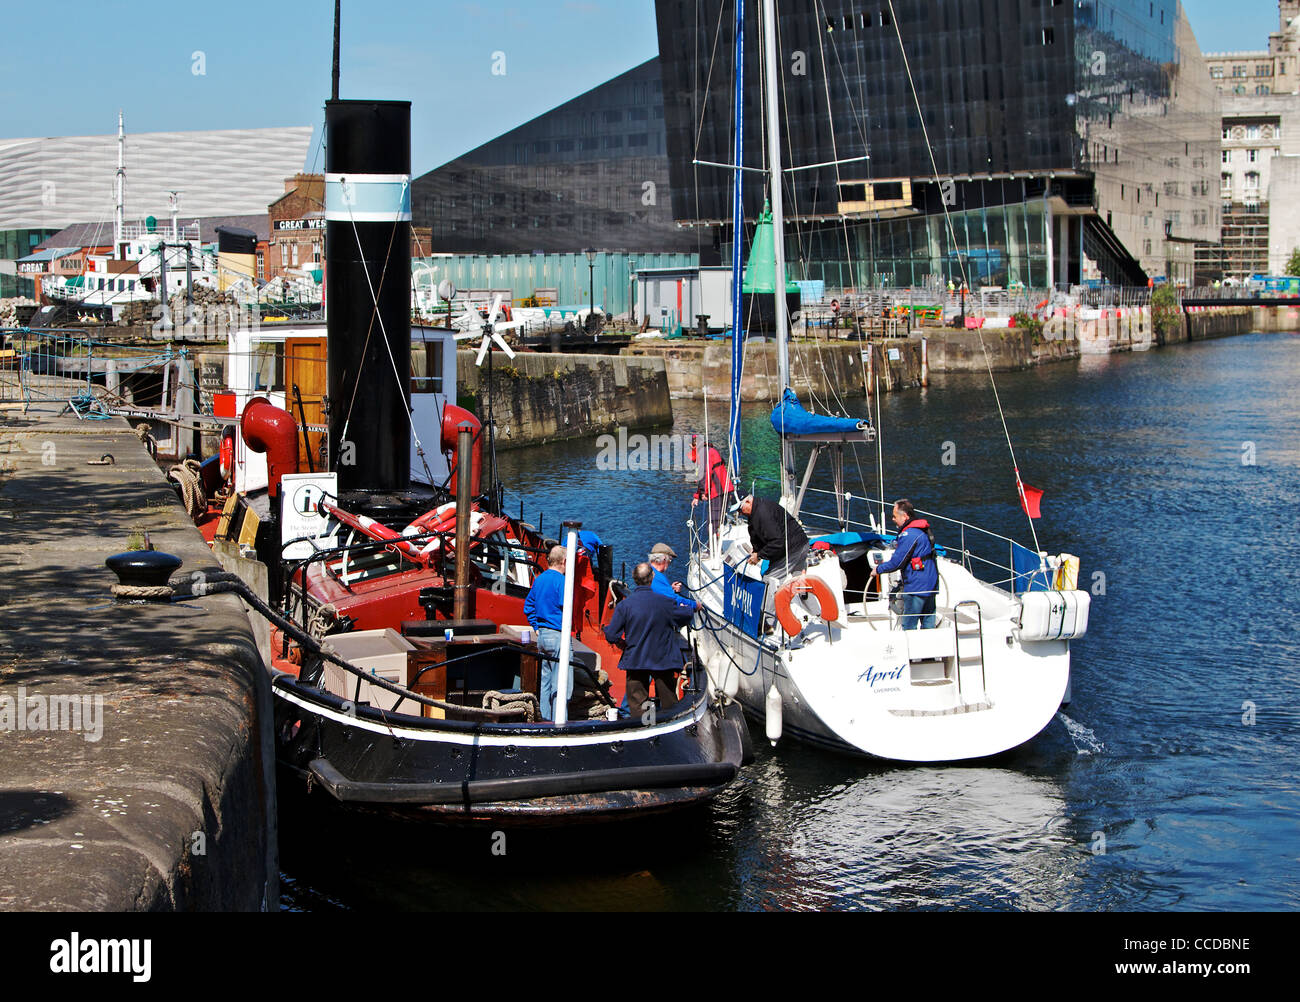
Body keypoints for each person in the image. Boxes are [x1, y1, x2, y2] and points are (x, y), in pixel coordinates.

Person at [604, 563, 695, 719]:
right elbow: (685, 615)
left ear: (634, 579)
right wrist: (693, 606)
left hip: (636, 659)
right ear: (652, 578)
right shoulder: (665, 602)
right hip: (663, 659)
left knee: (637, 702)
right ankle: (668, 730)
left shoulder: (625, 605)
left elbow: (611, 635)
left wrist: (621, 642)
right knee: (669, 702)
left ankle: (644, 727)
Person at [869, 498, 938, 631]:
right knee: (929, 625)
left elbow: (897, 563)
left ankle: (911, 651)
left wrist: (878, 569)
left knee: (909, 626)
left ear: (905, 516)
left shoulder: (909, 535)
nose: (893, 519)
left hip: (917, 587)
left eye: (895, 516)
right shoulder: (922, 531)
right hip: (931, 584)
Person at [523, 545, 574, 721]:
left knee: (545, 683)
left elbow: (528, 606)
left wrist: (536, 627)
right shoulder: (561, 582)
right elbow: (565, 606)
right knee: (561, 683)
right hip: (558, 636)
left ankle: (543, 720)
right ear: (564, 561)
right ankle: (559, 722)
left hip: (543, 636)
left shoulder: (539, 579)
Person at [738, 494, 809, 579]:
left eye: (740, 509)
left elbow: (777, 542)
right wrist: (756, 550)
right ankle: (800, 591)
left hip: (792, 548)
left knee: (769, 580)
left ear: (748, 502)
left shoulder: (763, 514)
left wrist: (759, 555)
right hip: (799, 543)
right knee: (798, 582)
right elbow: (757, 534)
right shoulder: (755, 511)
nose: (739, 514)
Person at [688, 436, 733, 535]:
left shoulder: (703, 452)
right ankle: (716, 544)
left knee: (713, 523)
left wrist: (703, 493)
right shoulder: (706, 451)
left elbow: (705, 474)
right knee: (717, 521)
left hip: (718, 491)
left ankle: (713, 548)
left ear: (693, 446)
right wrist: (697, 496)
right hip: (720, 489)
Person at [648, 543, 696, 610]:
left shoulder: (647, 570)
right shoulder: (657, 576)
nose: (669, 564)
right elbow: (673, 600)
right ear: (664, 559)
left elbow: (657, 591)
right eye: (670, 561)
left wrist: (670, 588)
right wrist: (696, 605)